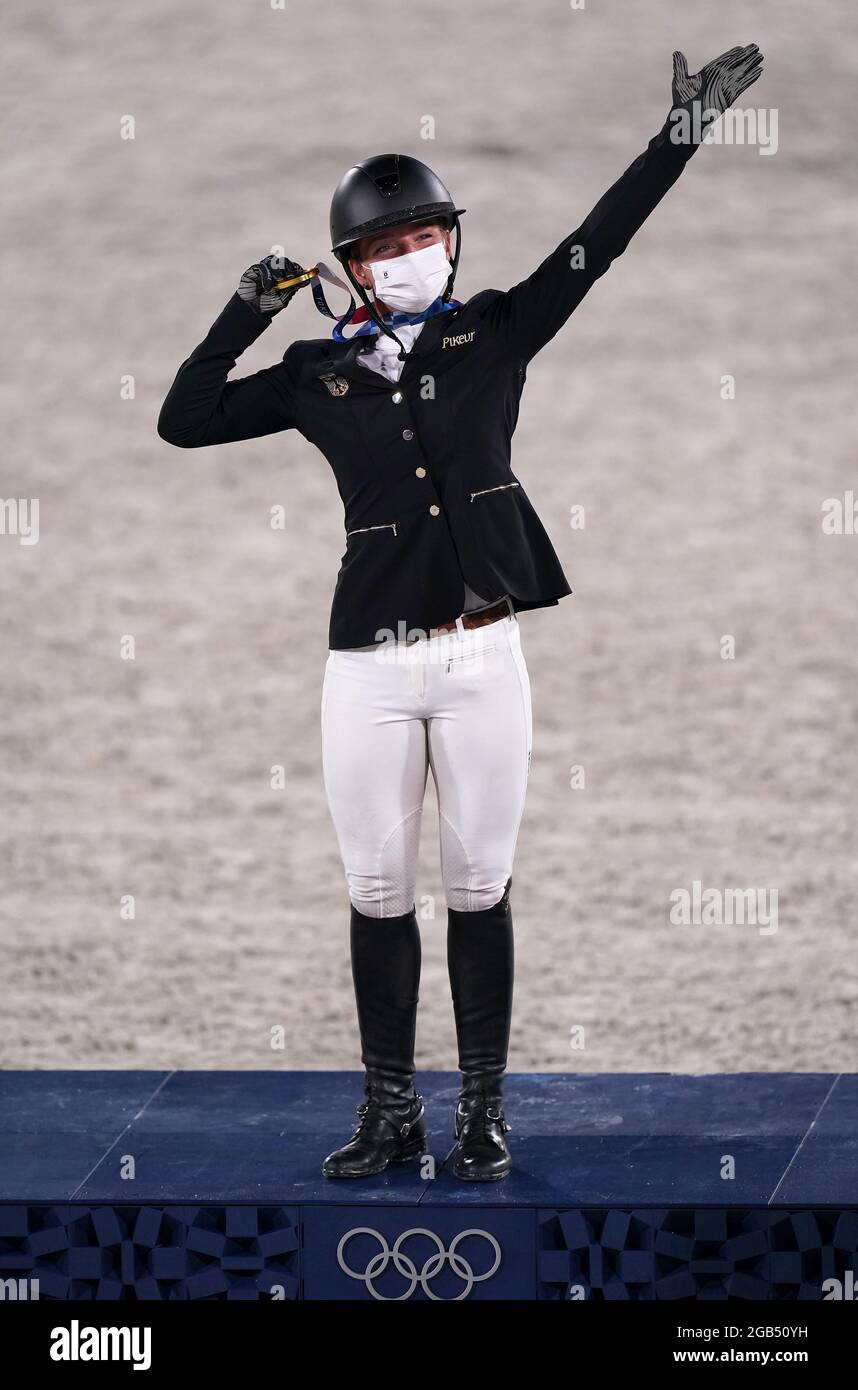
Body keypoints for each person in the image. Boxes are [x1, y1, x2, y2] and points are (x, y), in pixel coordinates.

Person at [157, 46, 763, 1181]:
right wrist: (243, 311)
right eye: (385, 248)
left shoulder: (497, 331)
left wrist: (677, 135)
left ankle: (483, 1113)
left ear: (452, 240)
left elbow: (600, 244)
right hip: (368, 671)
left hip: (485, 660)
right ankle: (393, 1114)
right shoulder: (311, 375)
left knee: (478, 889)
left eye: (424, 236)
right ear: (352, 266)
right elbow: (183, 421)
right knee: (379, 894)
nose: (410, 256)